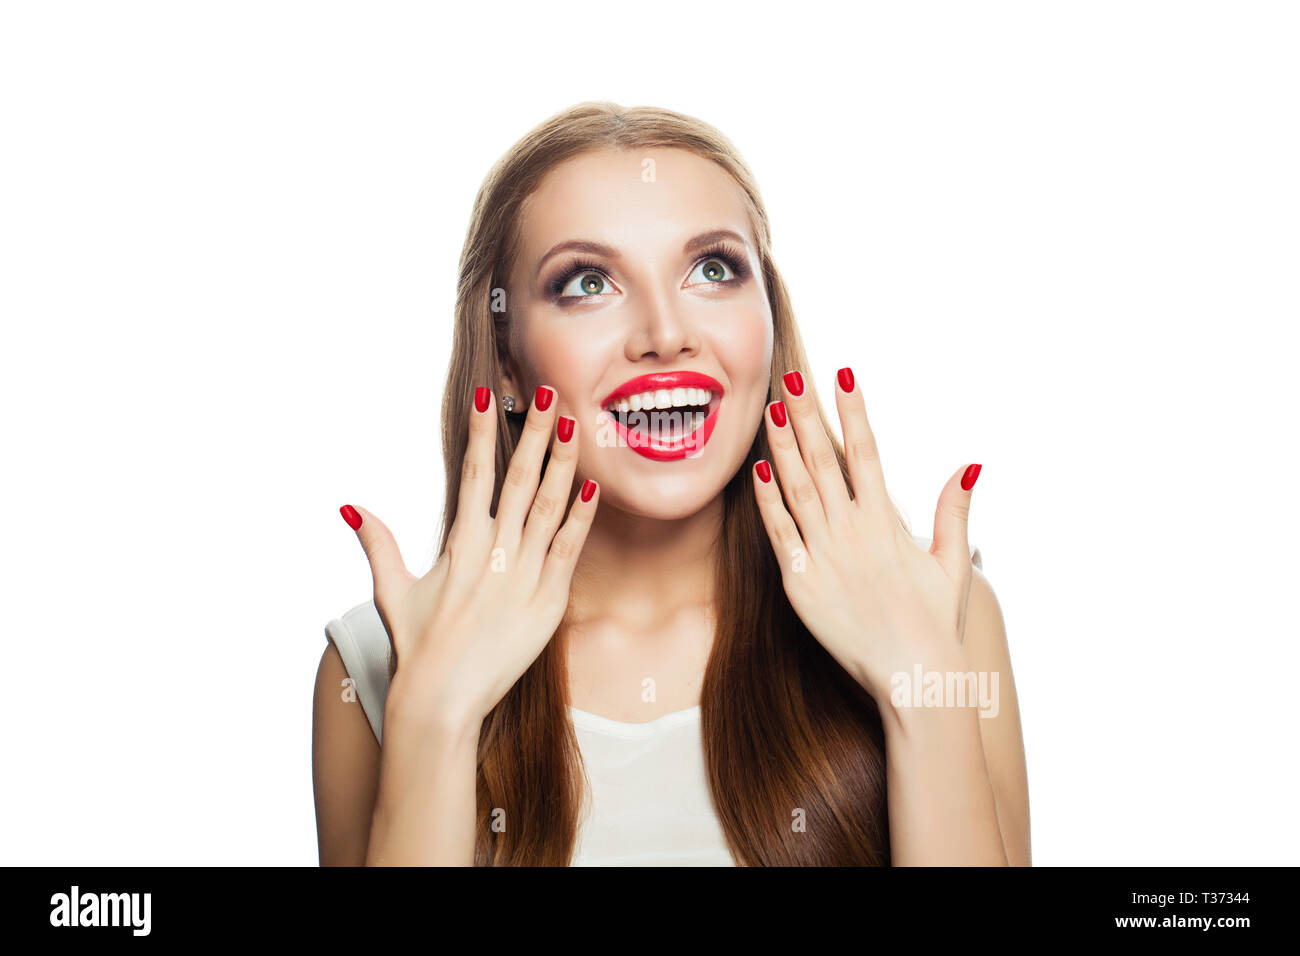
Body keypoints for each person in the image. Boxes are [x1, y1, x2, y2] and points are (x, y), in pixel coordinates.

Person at [312, 102, 1030, 866]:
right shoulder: (378, 663)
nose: (664, 334)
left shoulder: (938, 605)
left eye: (713, 271)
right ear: (508, 361)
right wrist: (436, 715)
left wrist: (922, 690)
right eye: (588, 283)